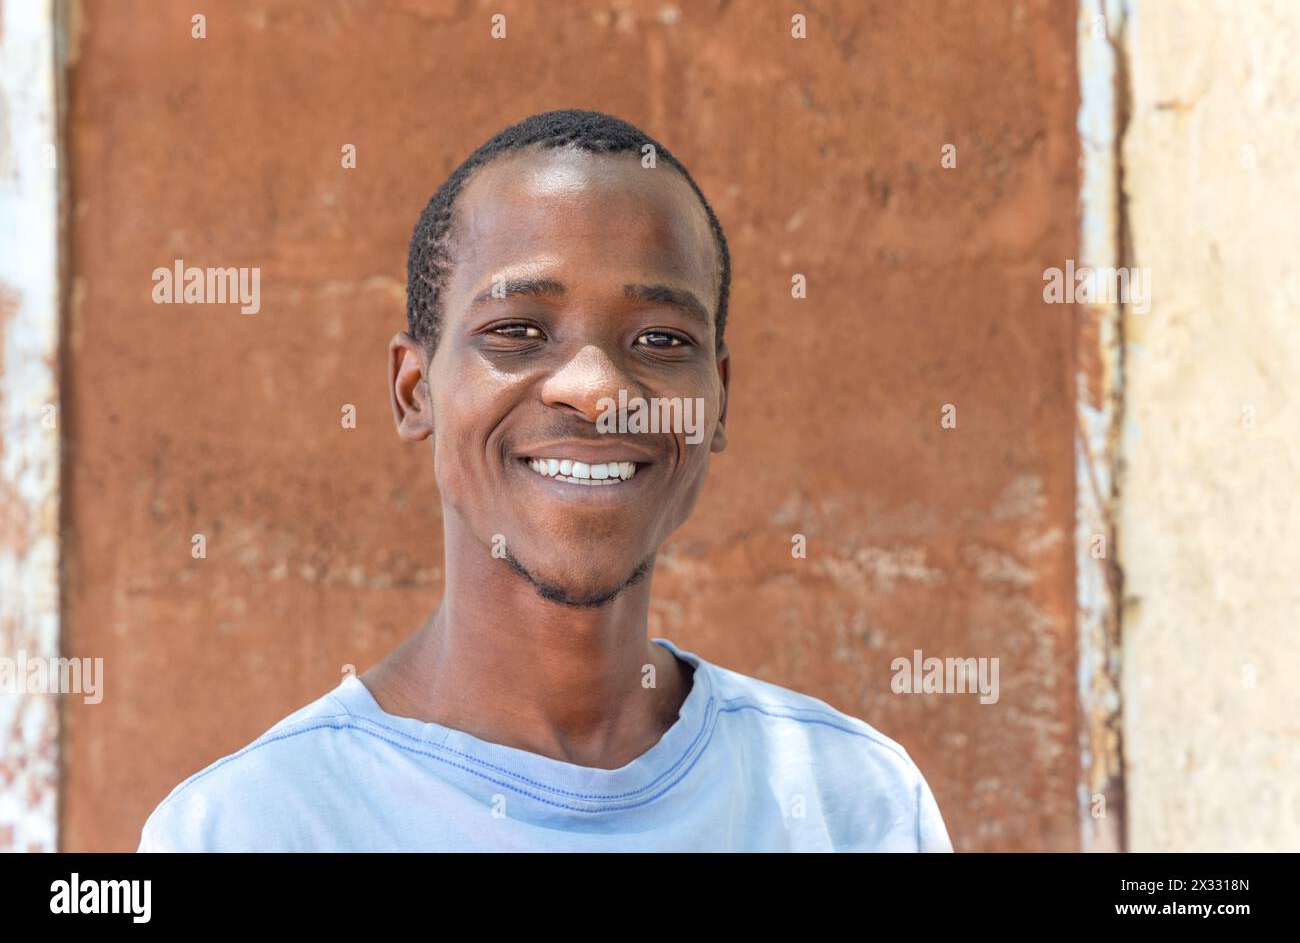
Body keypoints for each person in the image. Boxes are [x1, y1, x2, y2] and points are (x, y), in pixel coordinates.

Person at [137, 109, 953, 852]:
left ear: (718, 399)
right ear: (413, 390)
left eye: (662, 341)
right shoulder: (250, 827)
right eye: (517, 331)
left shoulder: (853, 806)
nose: (597, 390)